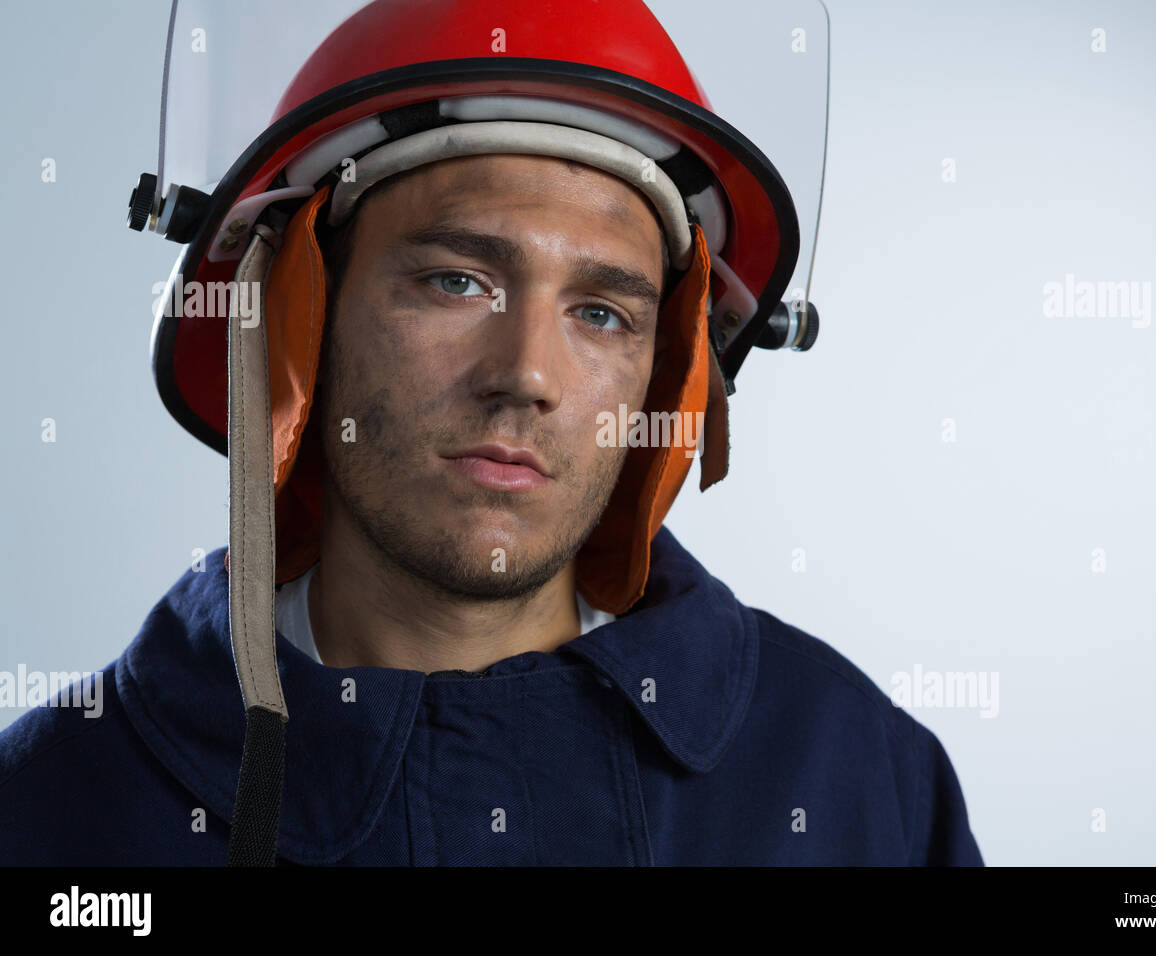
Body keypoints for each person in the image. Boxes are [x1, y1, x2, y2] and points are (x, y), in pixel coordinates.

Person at [0, 0, 983, 865]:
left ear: (667, 368)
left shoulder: (858, 777)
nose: (526, 375)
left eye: (601, 313)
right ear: (299, 316)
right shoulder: (50, 804)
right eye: (456, 281)